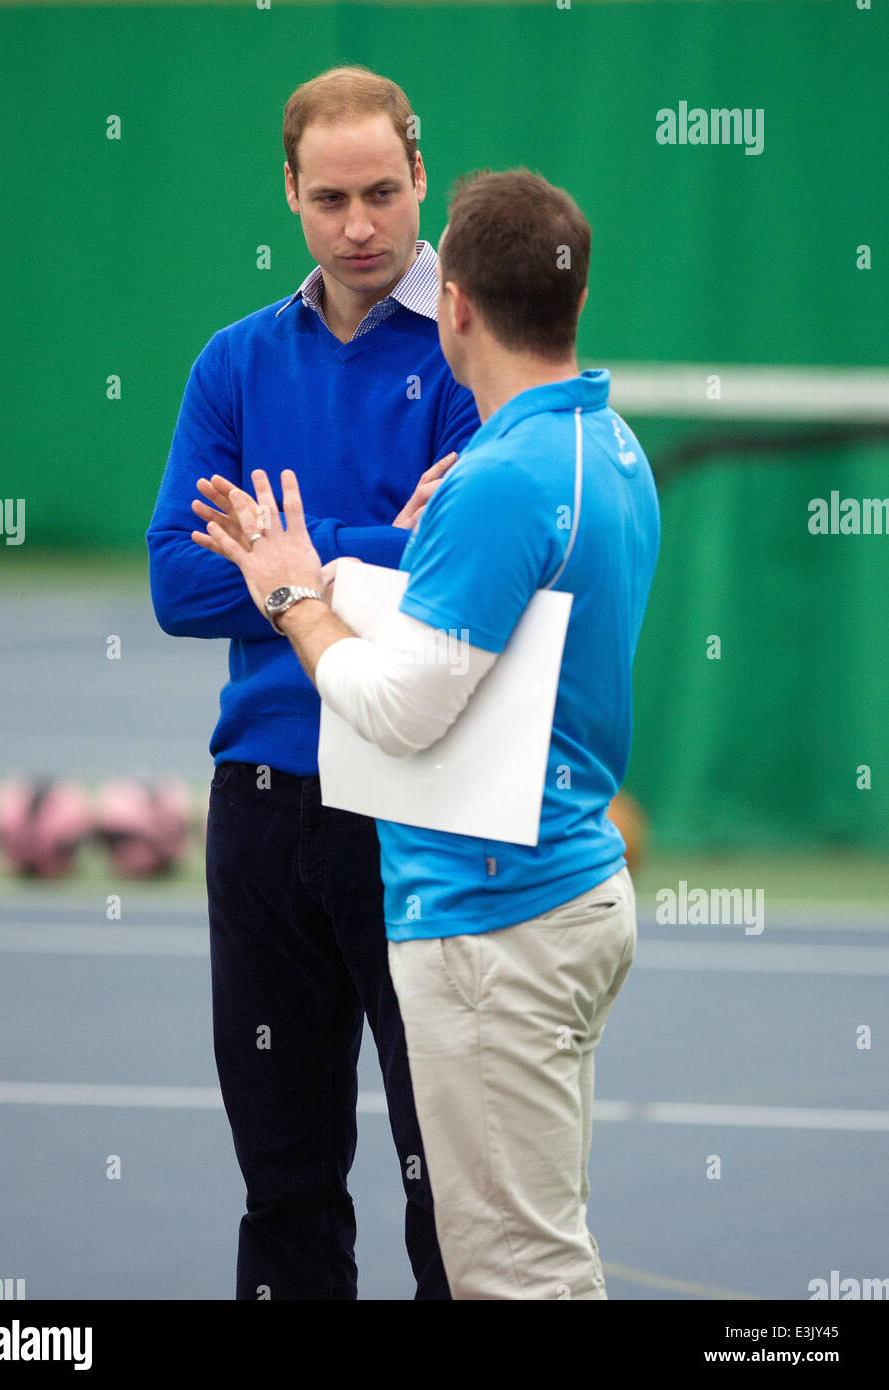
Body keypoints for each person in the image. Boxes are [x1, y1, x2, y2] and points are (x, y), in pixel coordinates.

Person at [192, 168, 661, 1300]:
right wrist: (356, 564)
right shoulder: (608, 445)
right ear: (576, 298)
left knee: (514, 1274)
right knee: (536, 1253)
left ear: (452, 303)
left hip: (494, 918)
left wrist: (294, 597)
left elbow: (402, 704)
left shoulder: (499, 479)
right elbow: (484, 643)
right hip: (565, 894)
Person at [147, 66, 480, 1301]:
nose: (359, 224)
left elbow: (462, 568)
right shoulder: (232, 364)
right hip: (262, 807)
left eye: (383, 193)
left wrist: (287, 565)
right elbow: (178, 585)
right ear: (289, 192)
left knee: (446, 1187)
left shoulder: (472, 342)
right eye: (330, 196)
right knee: (284, 1184)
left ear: (420, 180)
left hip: (413, 808)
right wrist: (357, 557)